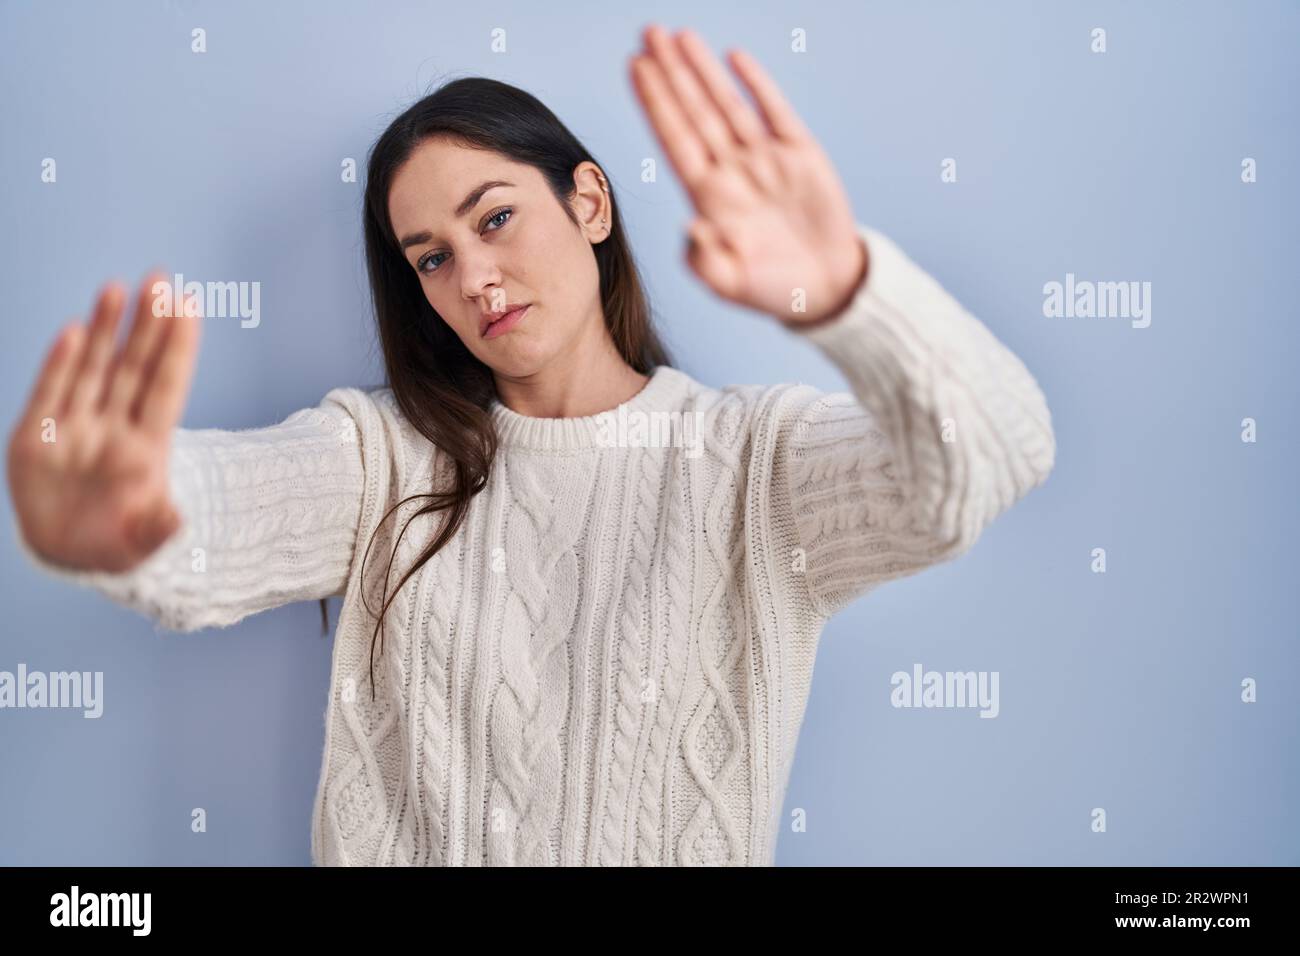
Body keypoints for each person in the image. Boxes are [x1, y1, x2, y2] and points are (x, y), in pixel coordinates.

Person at [6, 25, 1055, 866]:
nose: (474, 278)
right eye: (431, 256)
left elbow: (993, 454)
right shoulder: (383, 457)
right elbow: (217, 515)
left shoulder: (753, 467)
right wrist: (121, 522)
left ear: (586, 201)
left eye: (494, 218)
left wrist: (848, 296)